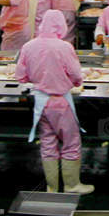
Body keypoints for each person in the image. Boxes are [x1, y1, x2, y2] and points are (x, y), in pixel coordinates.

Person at [15, 10, 92, 193]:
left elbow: (20, 76)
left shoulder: (29, 46)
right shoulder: (64, 47)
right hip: (60, 102)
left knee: (48, 142)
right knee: (70, 142)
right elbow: (75, 74)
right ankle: (72, 185)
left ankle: (52, 187)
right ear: (61, 26)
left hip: (41, 101)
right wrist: (77, 82)